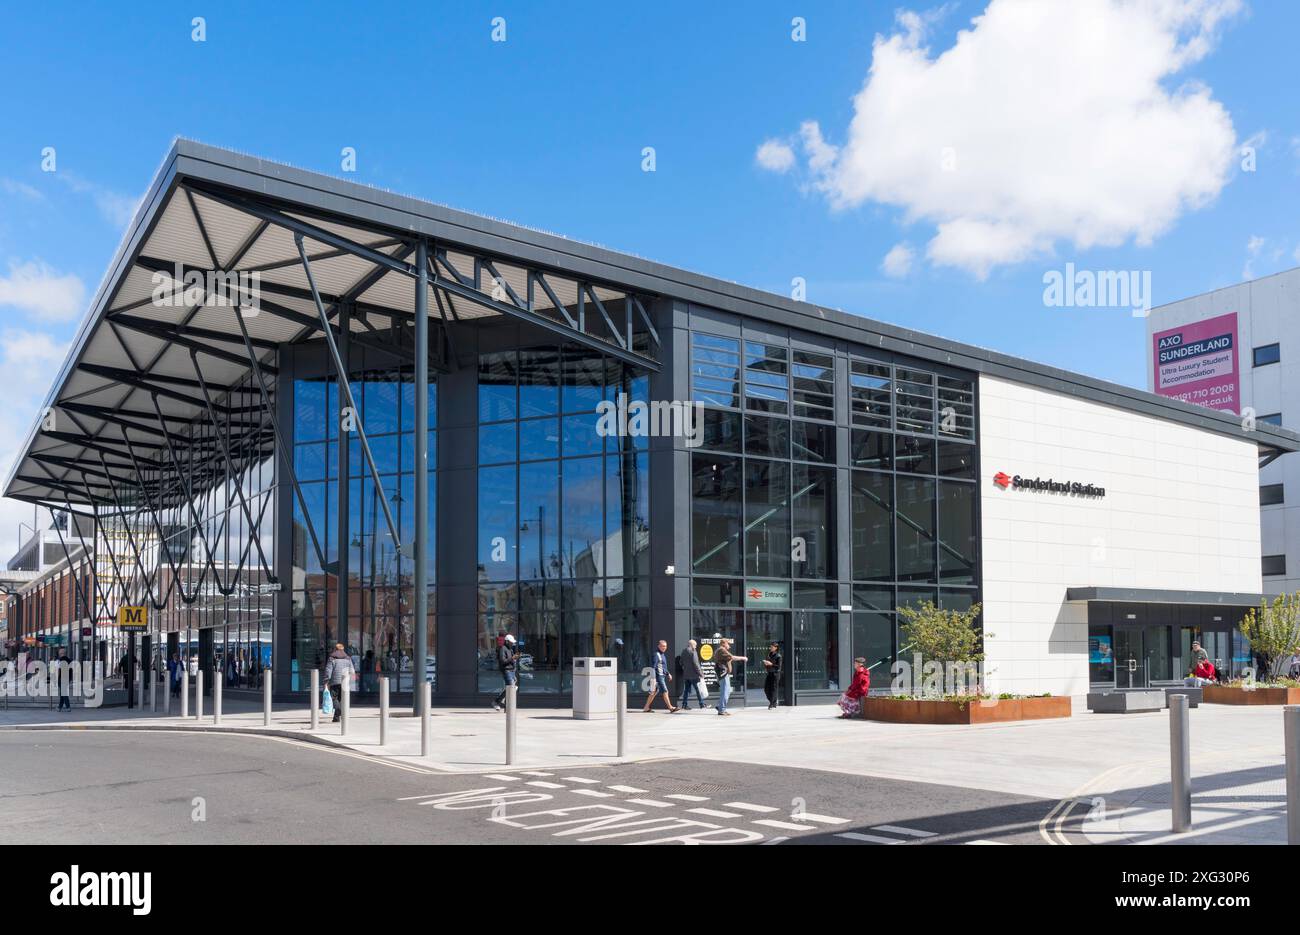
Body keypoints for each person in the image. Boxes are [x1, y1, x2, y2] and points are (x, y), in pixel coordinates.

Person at [643, 639, 678, 713]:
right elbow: (653, 667)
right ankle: (670, 707)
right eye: (662, 646)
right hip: (658, 676)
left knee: (653, 692)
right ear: (658, 646)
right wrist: (654, 678)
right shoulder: (657, 654)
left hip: (661, 675)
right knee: (665, 691)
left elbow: (663, 667)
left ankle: (646, 707)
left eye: (665, 646)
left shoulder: (662, 654)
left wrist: (668, 674)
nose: (664, 648)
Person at [714, 638, 747, 716]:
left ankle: (720, 706)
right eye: (728, 644)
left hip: (724, 673)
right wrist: (743, 658)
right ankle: (721, 710)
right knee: (725, 691)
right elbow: (732, 657)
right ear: (723, 644)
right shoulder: (721, 650)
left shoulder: (721, 650)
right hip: (723, 673)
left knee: (726, 691)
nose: (729, 646)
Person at [323, 643, 355, 723]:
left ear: (335, 649)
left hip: (335, 682)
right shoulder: (348, 658)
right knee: (341, 699)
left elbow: (328, 670)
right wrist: (351, 680)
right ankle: (336, 718)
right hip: (345, 681)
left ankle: (339, 710)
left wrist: (326, 680)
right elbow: (352, 670)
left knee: (334, 698)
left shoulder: (332, 658)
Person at [493, 633, 520, 711]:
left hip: (511, 670)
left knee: (512, 688)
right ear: (507, 641)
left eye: (513, 642)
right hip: (506, 670)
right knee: (511, 687)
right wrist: (512, 658)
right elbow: (503, 661)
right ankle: (497, 702)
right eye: (511, 642)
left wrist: (514, 658)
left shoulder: (510, 649)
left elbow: (511, 660)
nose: (512, 644)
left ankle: (505, 705)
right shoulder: (503, 649)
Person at [677, 640, 705, 710]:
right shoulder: (693, 651)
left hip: (686, 675)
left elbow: (681, 662)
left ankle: (684, 704)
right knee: (698, 689)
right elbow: (696, 664)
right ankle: (701, 704)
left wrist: (686, 668)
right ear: (692, 645)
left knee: (686, 690)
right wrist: (701, 673)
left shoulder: (684, 651)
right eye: (695, 645)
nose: (695, 647)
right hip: (694, 675)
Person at [762, 641, 783, 709]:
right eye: (770, 646)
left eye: (772, 647)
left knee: (774, 689)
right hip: (769, 673)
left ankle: (772, 704)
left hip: (775, 674)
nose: (770, 648)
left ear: (776, 648)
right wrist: (766, 664)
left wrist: (770, 664)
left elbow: (778, 667)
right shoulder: (769, 654)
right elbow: (768, 664)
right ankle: (773, 702)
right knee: (766, 689)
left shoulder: (778, 656)